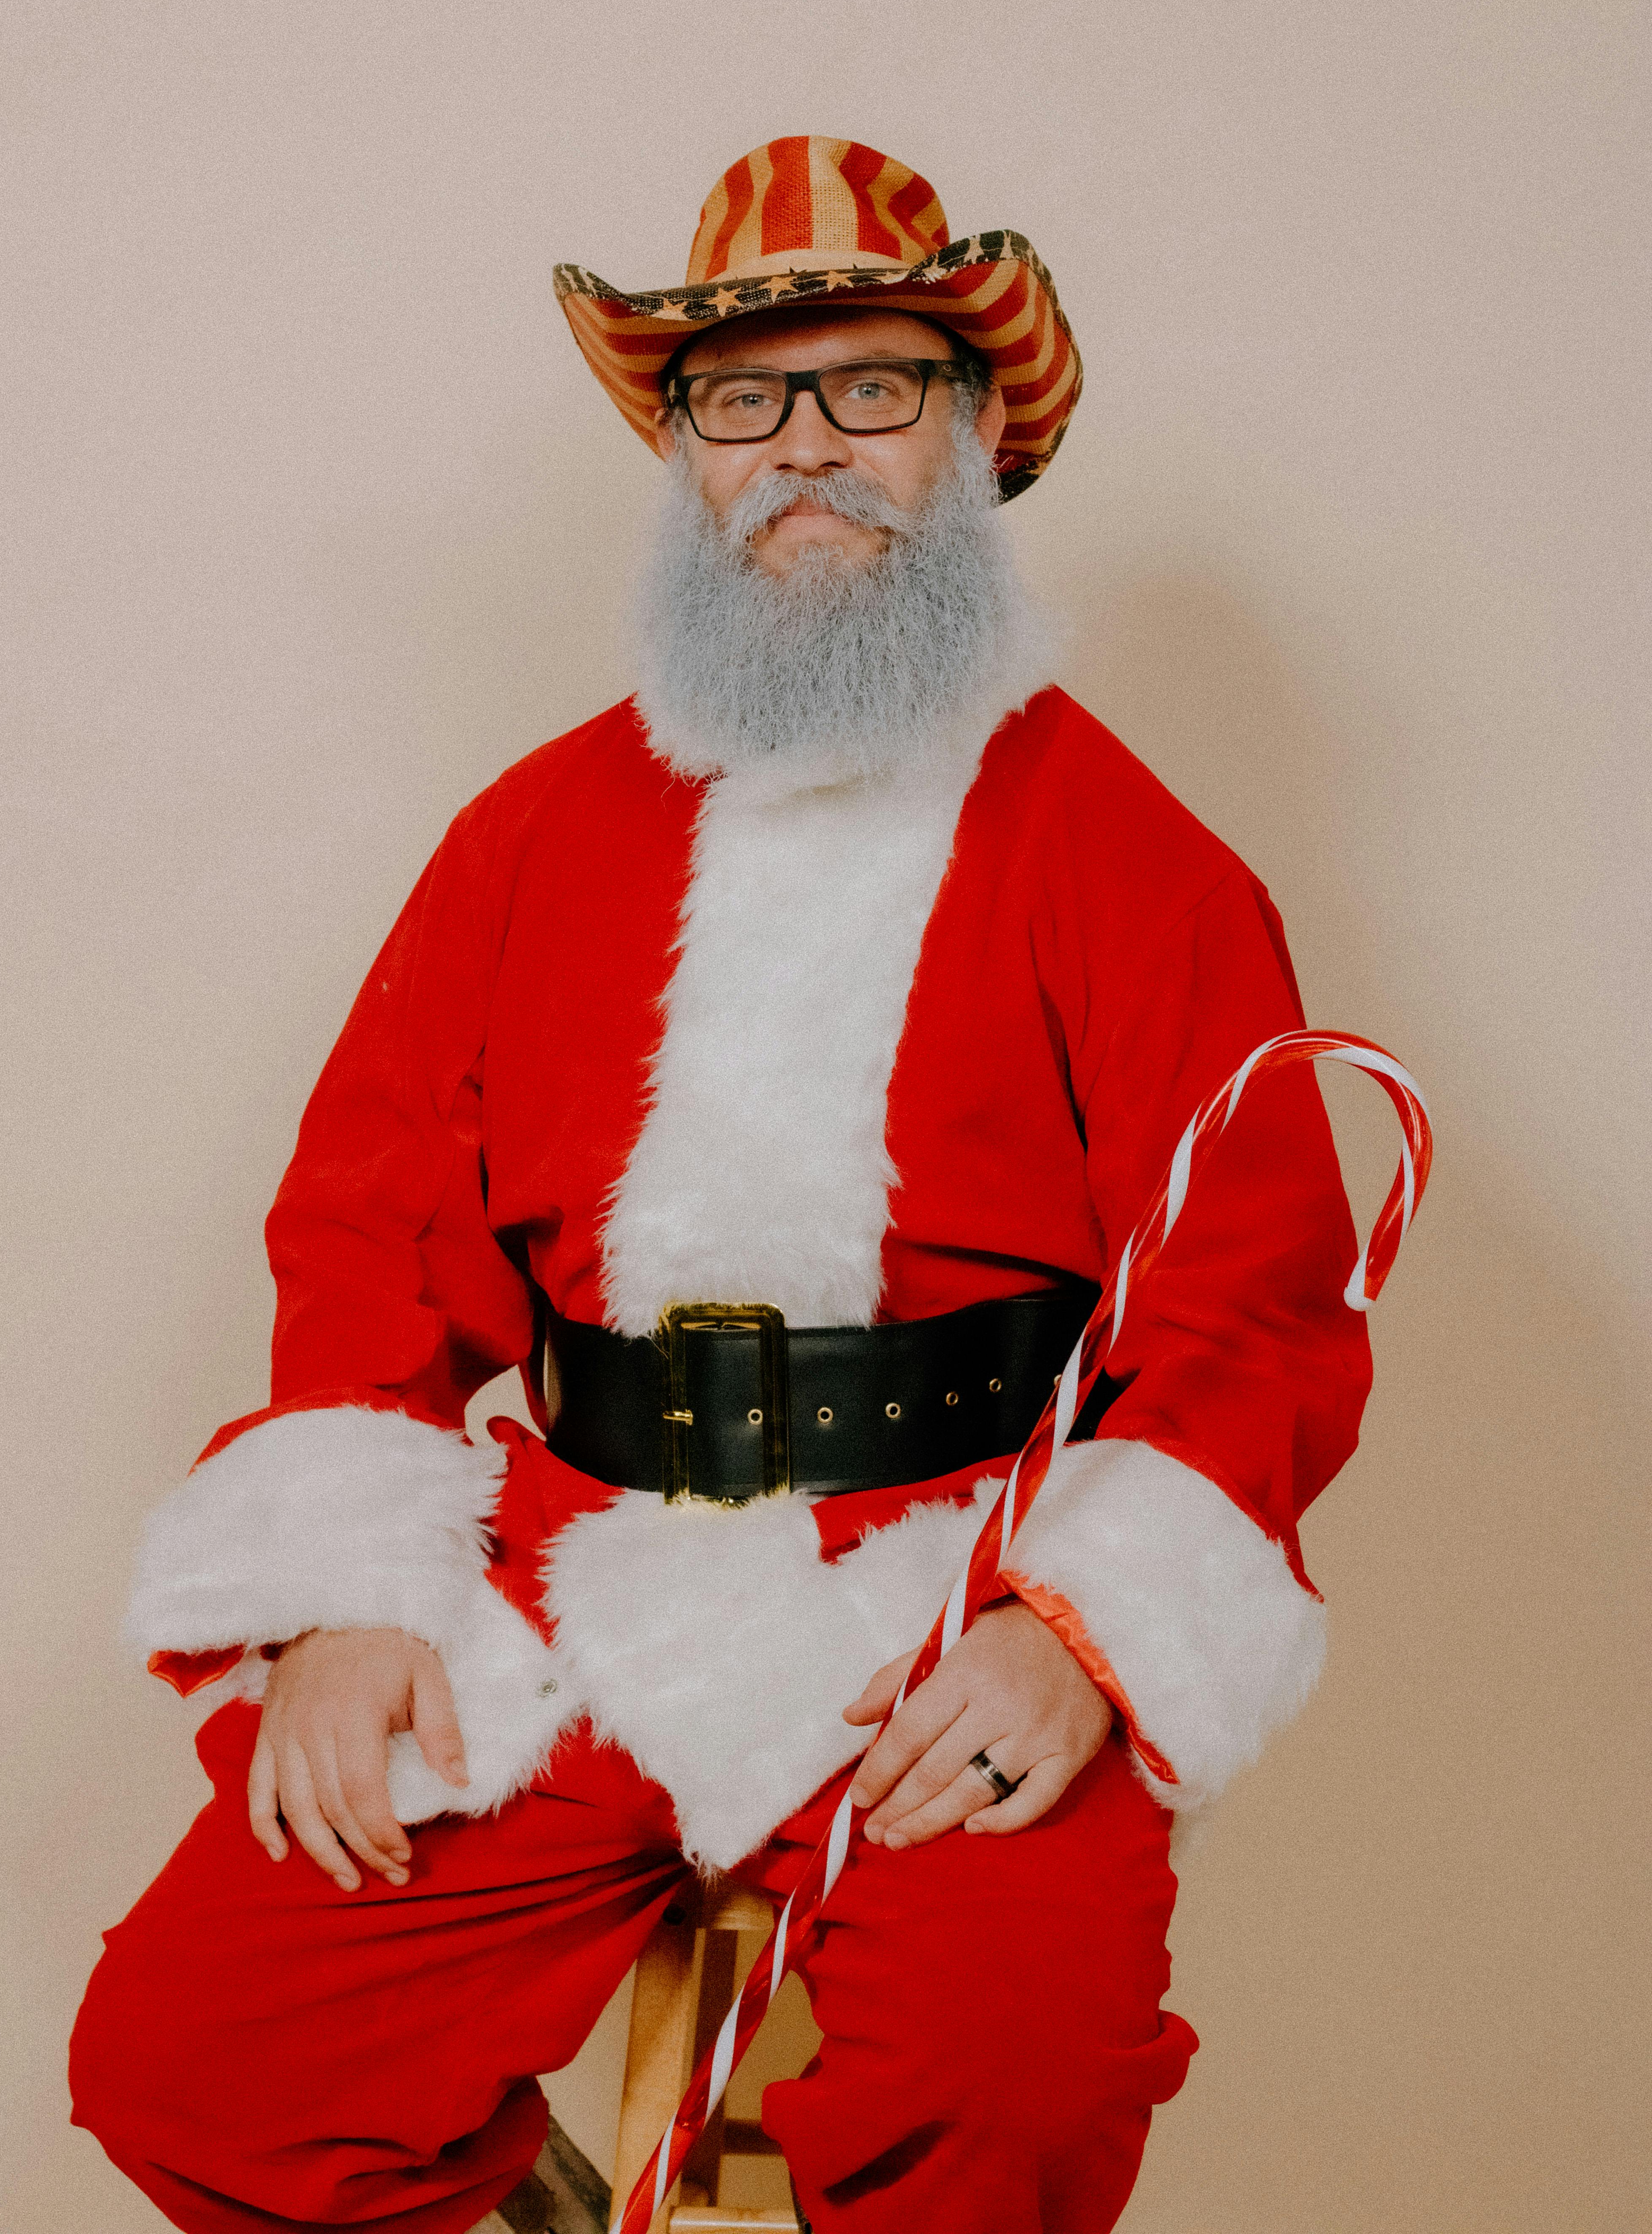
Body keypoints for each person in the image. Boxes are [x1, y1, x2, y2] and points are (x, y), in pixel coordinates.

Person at [71, 135, 1371, 2234]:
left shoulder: (1136, 859)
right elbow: (373, 1233)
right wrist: (341, 1596)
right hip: (573, 1571)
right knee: (198, 2063)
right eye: (744, 400)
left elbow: (1251, 1307)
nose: (806, 452)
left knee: (1007, 2094)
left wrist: (1083, 1637)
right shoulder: (532, 835)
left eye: (871, 389)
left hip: (946, 1595)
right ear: (684, 456)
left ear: (972, 436)